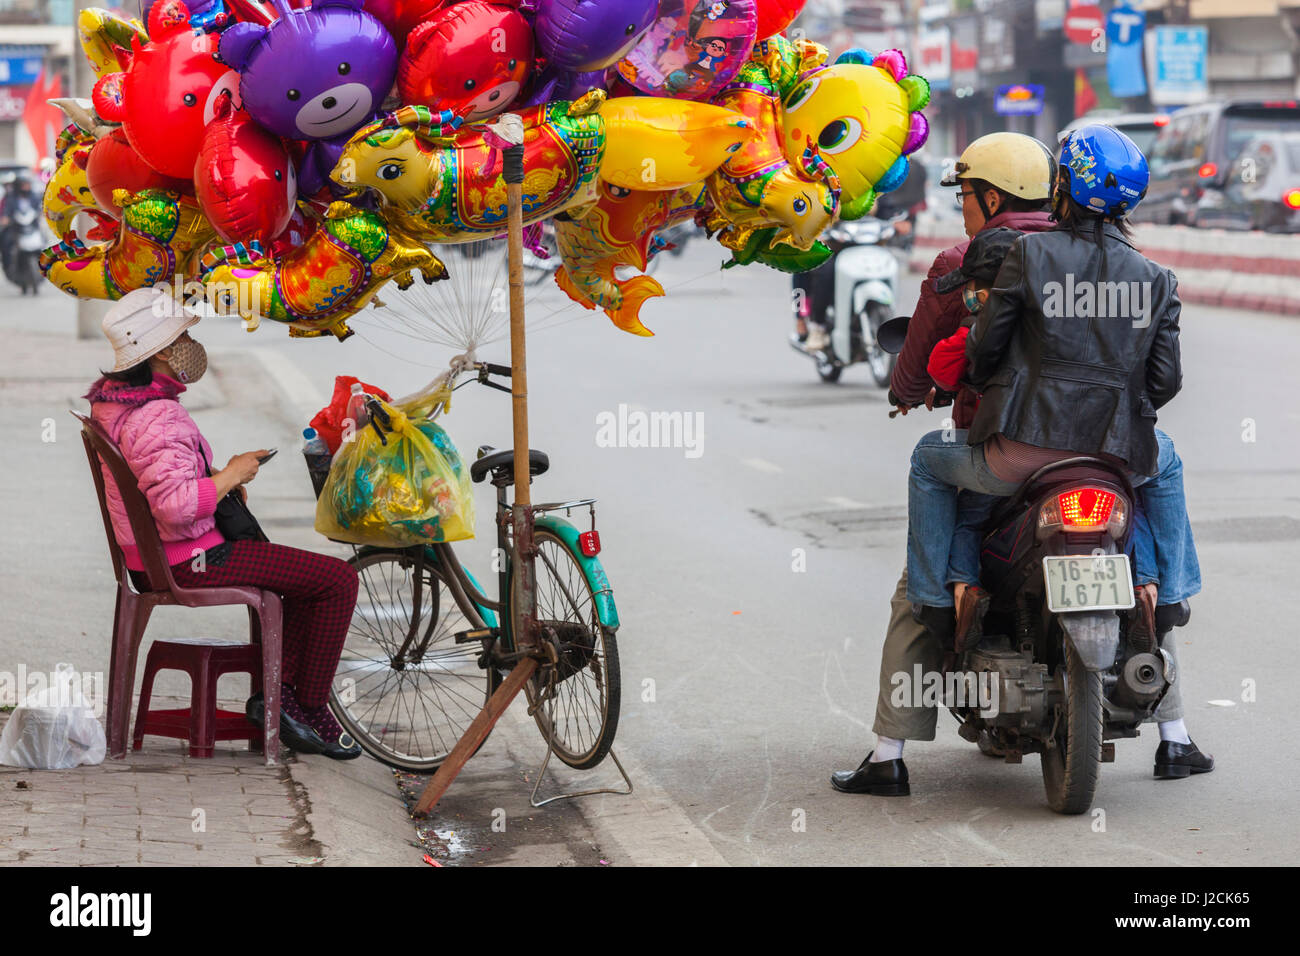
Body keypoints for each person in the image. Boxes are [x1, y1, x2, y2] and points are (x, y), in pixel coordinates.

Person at [832, 126, 1209, 796]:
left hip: (1016, 455)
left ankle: (930, 606)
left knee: (930, 462)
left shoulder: (1016, 259)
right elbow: (1164, 384)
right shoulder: (1156, 278)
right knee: (1151, 515)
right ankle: (1172, 598)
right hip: (1117, 458)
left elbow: (978, 355)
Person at [85, 287, 362, 759]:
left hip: (161, 555)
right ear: (163, 353)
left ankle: (282, 699)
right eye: (183, 337)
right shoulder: (158, 416)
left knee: (298, 578)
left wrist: (216, 480)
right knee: (336, 580)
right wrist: (232, 474)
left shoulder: (118, 406)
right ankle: (306, 706)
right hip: (193, 559)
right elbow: (173, 506)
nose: (192, 344)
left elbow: (158, 477)